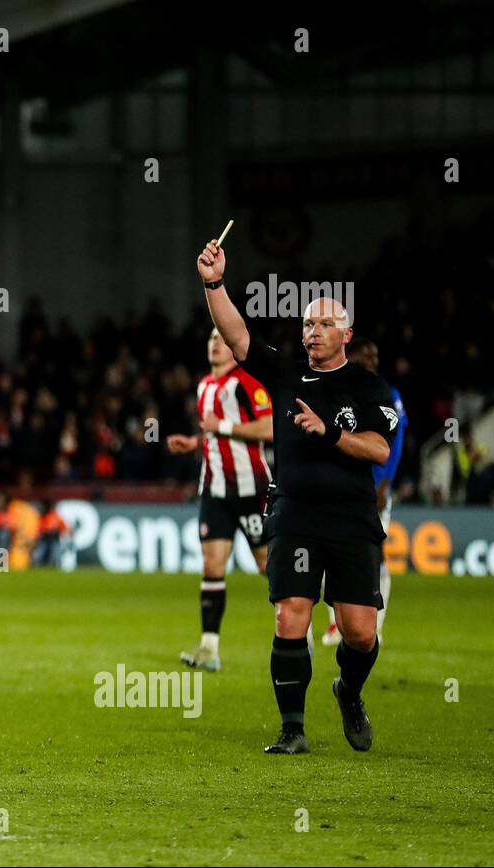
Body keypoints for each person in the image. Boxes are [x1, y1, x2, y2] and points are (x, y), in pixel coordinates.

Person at [197, 238, 399, 755]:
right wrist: (214, 283)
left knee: (358, 631)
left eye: (324, 324)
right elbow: (238, 335)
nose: (312, 331)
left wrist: (329, 432)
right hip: (294, 513)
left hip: (352, 517)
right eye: (307, 324)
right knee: (291, 613)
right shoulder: (287, 373)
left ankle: (348, 691)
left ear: (346, 334)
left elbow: (378, 450)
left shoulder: (370, 388)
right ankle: (292, 729)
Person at [165, 328, 273, 671]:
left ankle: (301, 634)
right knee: (212, 565)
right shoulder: (203, 385)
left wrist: (221, 427)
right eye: (210, 338)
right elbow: (214, 434)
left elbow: (269, 428)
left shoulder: (247, 383)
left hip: (251, 489)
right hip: (214, 489)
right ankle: (209, 649)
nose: (214, 343)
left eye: (221, 339)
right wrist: (194, 442)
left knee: (268, 566)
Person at [323, 336, 406, 645]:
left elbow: (395, 443)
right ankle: (336, 623)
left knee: (375, 554)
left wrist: (386, 481)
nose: (372, 362)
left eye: (375, 357)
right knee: (330, 552)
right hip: (340, 488)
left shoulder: (388, 393)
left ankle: (376, 623)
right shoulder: (337, 390)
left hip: (374, 489)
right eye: (366, 356)